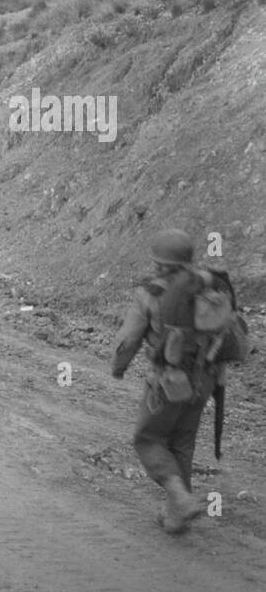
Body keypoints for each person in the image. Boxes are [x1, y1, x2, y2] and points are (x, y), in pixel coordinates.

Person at [112, 228, 236, 534]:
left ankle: (180, 498)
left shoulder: (151, 293)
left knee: (149, 439)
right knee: (181, 442)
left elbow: (129, 340)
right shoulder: (210, 287)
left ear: (158, 262)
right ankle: (177, 514)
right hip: (205, 380)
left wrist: (118, 366)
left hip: (168, 383)